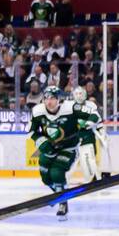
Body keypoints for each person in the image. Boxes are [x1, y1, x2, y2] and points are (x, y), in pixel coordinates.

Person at [29, 85, 84, 219]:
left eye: (53, 98)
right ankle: (60, 195)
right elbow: (33, 132)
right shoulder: (37, 111)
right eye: (46, 98)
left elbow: (89, 115)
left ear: (59, 99)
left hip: (68, 148)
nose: (49, 101)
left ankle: (62, 202)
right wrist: (42, 142)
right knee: (45, 177)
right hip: (50, 149)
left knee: (56, 172)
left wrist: (89, 122)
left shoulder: (70, 109)